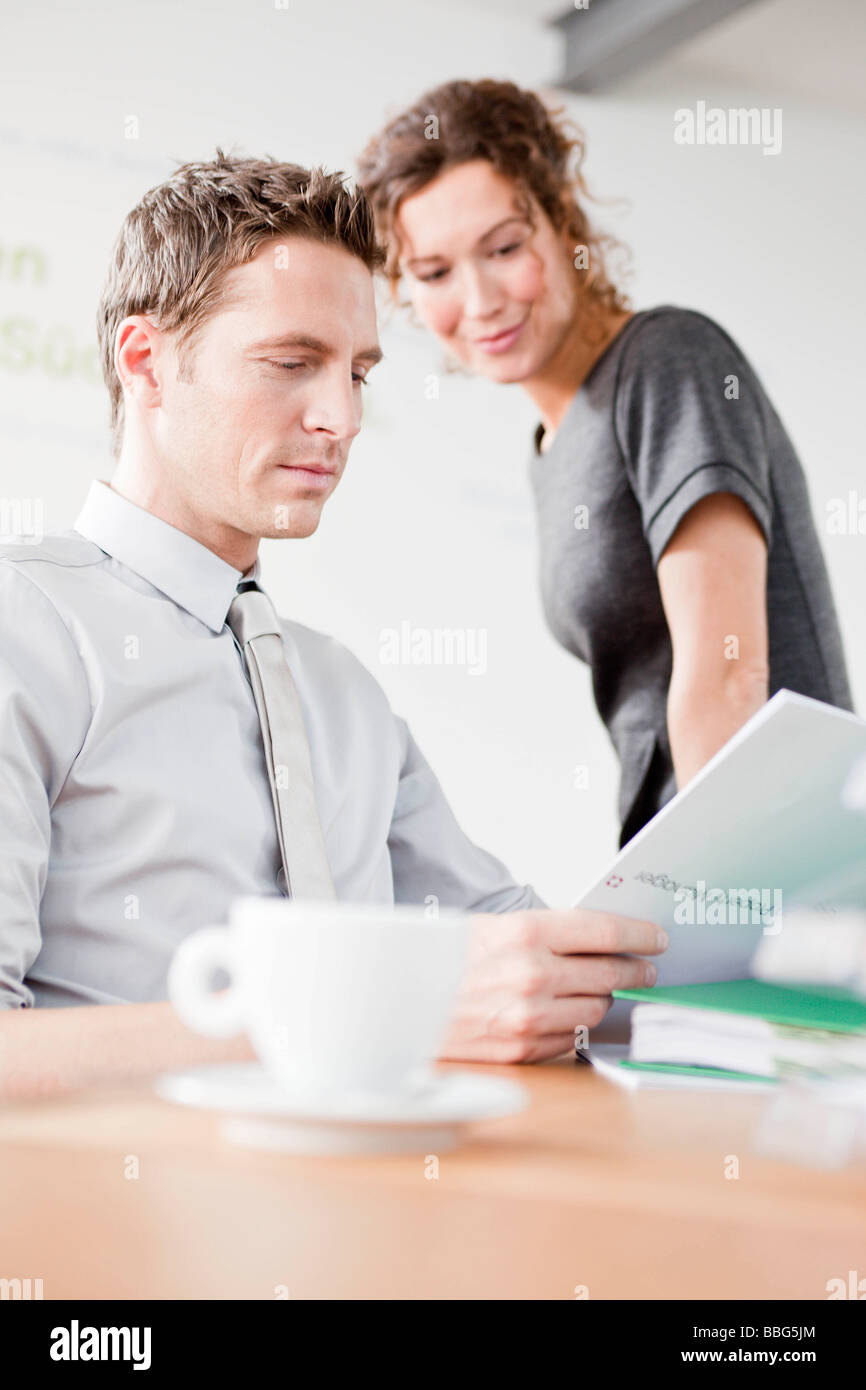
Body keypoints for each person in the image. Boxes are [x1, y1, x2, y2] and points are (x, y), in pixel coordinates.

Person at [0, 151, 666, 1098]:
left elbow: (515, 953)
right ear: (145, 362)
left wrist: (749, 917)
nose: (342, 417)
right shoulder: (24, 627)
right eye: (292, 364)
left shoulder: (338, 691)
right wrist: (373, 1011)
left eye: (358, 372)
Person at [357, 78, 854, 848]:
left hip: (781, 866)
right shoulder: (556, 445)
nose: (481, 298)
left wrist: (699, 900)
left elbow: (728, 673)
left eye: (505, 248)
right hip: (686, 858)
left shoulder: (667, 361)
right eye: (435, 273)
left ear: (563, 221)